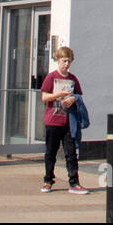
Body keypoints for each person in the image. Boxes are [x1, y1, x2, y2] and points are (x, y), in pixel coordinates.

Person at [39, 46, 88, 194]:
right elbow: (44, 97)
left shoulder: (73, 79)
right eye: (63, 61)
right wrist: (58, 94)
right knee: (50, 152)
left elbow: (79, 96)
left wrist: (73, 98)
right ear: (58, 60)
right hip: (53, 120)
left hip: (69, 122)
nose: (66, 64)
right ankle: (48, 180)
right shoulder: (51, 77)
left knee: (71, 153)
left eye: (69, 61)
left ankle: (74, 182)